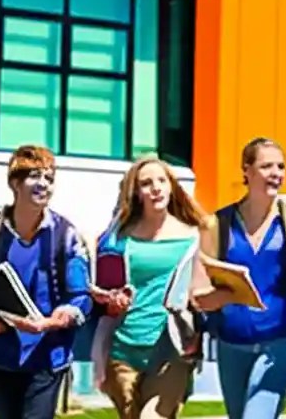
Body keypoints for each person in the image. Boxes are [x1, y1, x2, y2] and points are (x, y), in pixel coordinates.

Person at [196, 137, 286, 419]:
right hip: (231, 346)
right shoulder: (217, 225)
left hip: (280, 346)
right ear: (246, 171)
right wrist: (230, 294)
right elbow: (198, 295)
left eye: (281, 166)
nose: (276, 173)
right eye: (266, 166)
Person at [93, 155, 213, 419]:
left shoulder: (193, 236)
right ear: (136, 192)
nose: (156, 188)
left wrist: (199, 328)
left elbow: (201, 293)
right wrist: (98, 355)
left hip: (171, 349)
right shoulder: (120, 239)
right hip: (123, 350)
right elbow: (106, 304)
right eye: (147, 183)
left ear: (171, 186)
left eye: (161, 180)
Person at [0, 145, 93, 419]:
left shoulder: (66, 235)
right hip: (1, 357)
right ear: (15, 183)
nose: (44, 184)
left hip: (48, 358)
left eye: (49, 178)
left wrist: (57, 319)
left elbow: (81, 296)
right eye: (35, 176)